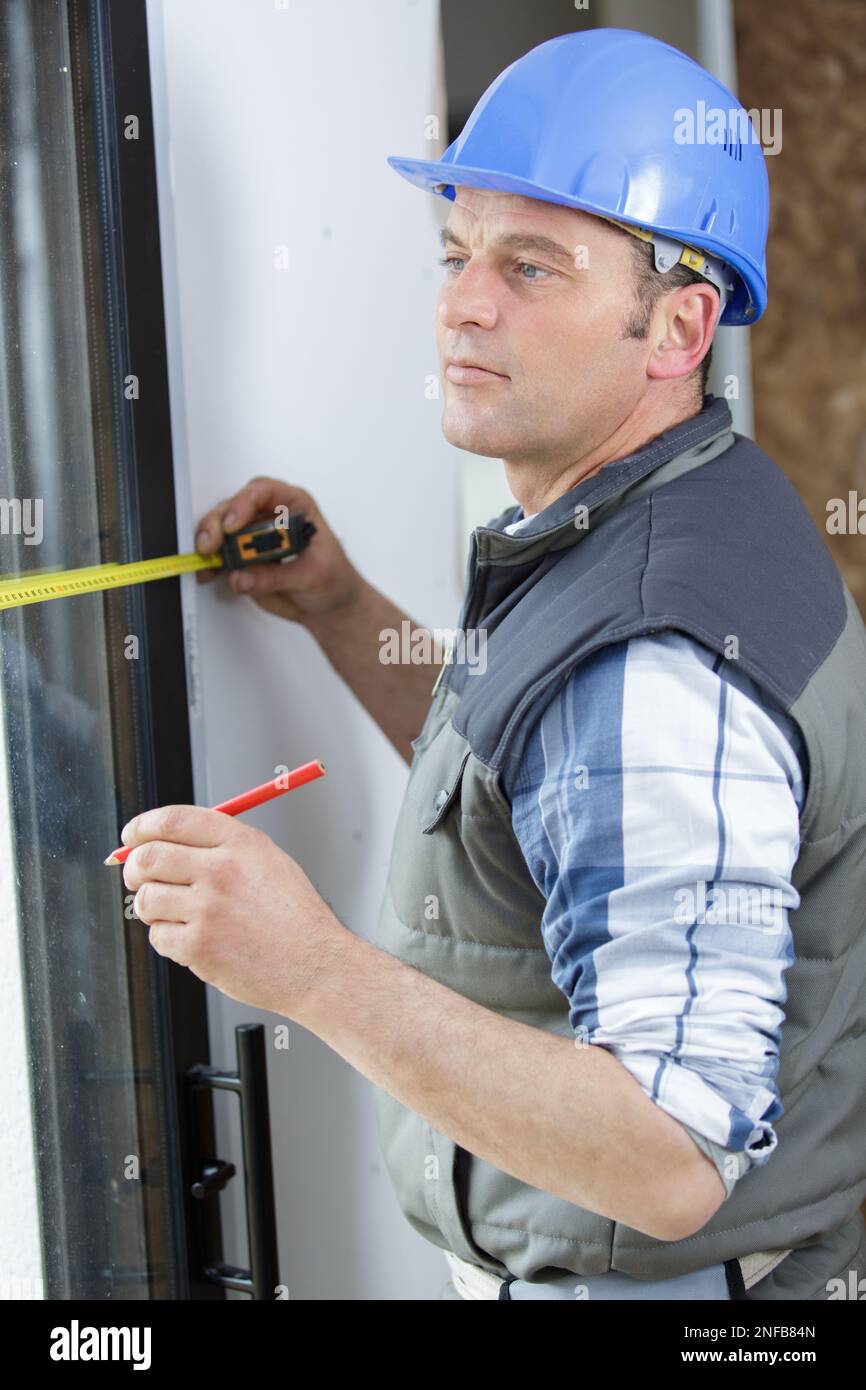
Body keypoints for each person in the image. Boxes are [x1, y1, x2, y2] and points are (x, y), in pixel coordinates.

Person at [121, 29, 866, 1300]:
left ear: (678, 325)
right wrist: (345, 609)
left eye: (532, 266)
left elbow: (670, 1149)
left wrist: (308, 968)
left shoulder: (654, 652)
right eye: (458, 254)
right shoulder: (652, 515)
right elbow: (561, 806)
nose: (464, 303)